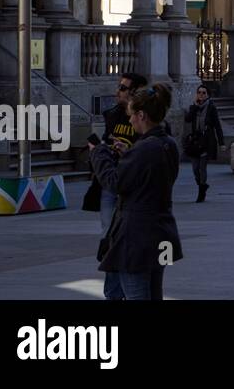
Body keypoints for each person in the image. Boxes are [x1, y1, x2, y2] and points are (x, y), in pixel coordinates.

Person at [88, 83, 182, 300]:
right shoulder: (168, 143)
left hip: (138, 236)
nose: (129, 120)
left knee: (137, 295)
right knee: (152, 292)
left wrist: (99, 153)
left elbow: (114, 183)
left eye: (131, 115)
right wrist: (128, 154)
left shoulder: (145, 148)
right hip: (162, 231)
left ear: (142, 115)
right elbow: (148, 176)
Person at [86, 72, 148, 300]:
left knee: (121, 240)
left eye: (122, 88)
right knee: (109, 237)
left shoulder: (147, 123)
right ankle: (114, 293)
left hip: (130, 188)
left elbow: (145, 156)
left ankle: (118, 292)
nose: (117, 91)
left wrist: (125, 152)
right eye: (119, 86)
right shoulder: (112, 115)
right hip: (111, 184)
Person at [183, 84, 224, 203]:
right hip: (195, 142)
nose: (201, 95)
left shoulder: (211, 108)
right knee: (195, 168)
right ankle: (202, 184)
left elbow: (217, 126)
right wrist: (195, 107)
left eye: (203, 93)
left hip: (206, 141)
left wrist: (221, 142)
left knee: (202, 168)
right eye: (199, 92)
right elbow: (187, 119)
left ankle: (201, 192)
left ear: (208, 95)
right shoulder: (193, 107)